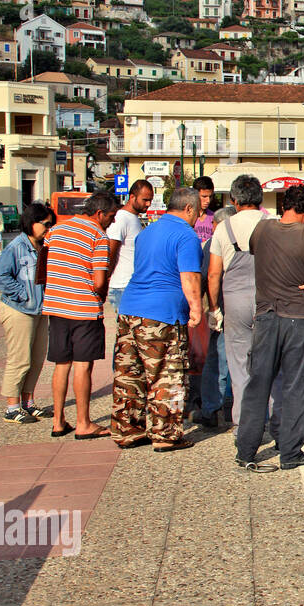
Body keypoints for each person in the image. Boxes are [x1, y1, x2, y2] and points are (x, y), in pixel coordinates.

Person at [234, 184, 304, 472]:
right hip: (297, 318)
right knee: (295, 385)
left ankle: (246, 450)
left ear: (284, 205)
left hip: (266, 317)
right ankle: (289, 452)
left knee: (258, 383)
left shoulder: (262, 230)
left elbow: (253, 250)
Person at [111, 187, 203, 451]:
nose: (197, 217)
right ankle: (165, 435)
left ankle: (128, 430)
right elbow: (189, 277)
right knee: (168, 374)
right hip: (163, 313)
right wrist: (195, 309)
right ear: (188, 208)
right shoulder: (186, 235)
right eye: (197, 212)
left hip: (130, 309)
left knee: (130, 373)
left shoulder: (147, 231)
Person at [43, 190, 117, 439]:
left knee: (61, 364)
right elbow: (98, 281)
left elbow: (43, 266)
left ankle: (57, 420)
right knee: (83, 366)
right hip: (84, 308)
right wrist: (103, 291)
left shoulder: (56, 230)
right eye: (110, 216)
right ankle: (84, 423)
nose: (112, 221)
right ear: (99, 214)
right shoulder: (98, 236)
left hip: (56, 305)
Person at [207, 176, 268, 427]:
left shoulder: (224, 228)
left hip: (235, 302)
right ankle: (273, 424)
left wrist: (214, 309)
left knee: (239, 367)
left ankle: (244, 427)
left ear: (234, 200)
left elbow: (213, 273)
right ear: (260, 198)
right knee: (269, 365)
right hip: (267, 300)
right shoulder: (272, 224)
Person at [0, 202, 55, 423]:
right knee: (20, 359)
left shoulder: (42, 246)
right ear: (32, 223)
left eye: (51, 224)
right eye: (46, 224)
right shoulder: (16, 247)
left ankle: (28, 402)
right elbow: (0, 276)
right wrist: (23, 293)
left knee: (36, 359)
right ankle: (12, 407)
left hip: (39, 310)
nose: (49, 229)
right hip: (19, 310)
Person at [195, 205, 235, 428]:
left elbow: (208, 275)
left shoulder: (214, 242)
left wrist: (208, 308)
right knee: (241, 359)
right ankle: (233, 407)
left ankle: (211, 408)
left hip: (221, 306)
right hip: (245, 307)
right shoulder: (250, 239)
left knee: (217, 361)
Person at [106, 179, 154, 313]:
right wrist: (106, 278)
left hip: (132, 285)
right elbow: (110, 251)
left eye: (150, 200)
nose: (148, 204)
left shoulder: (134, 218)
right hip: (122, 286)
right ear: (132, 197)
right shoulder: (121, 218)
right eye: (145, 200)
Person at [193, 175, 217, 244]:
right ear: (195, 195)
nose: (208, 200)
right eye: (204, 196)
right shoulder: (186, 217)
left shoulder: (215, 218)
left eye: (210, 196)